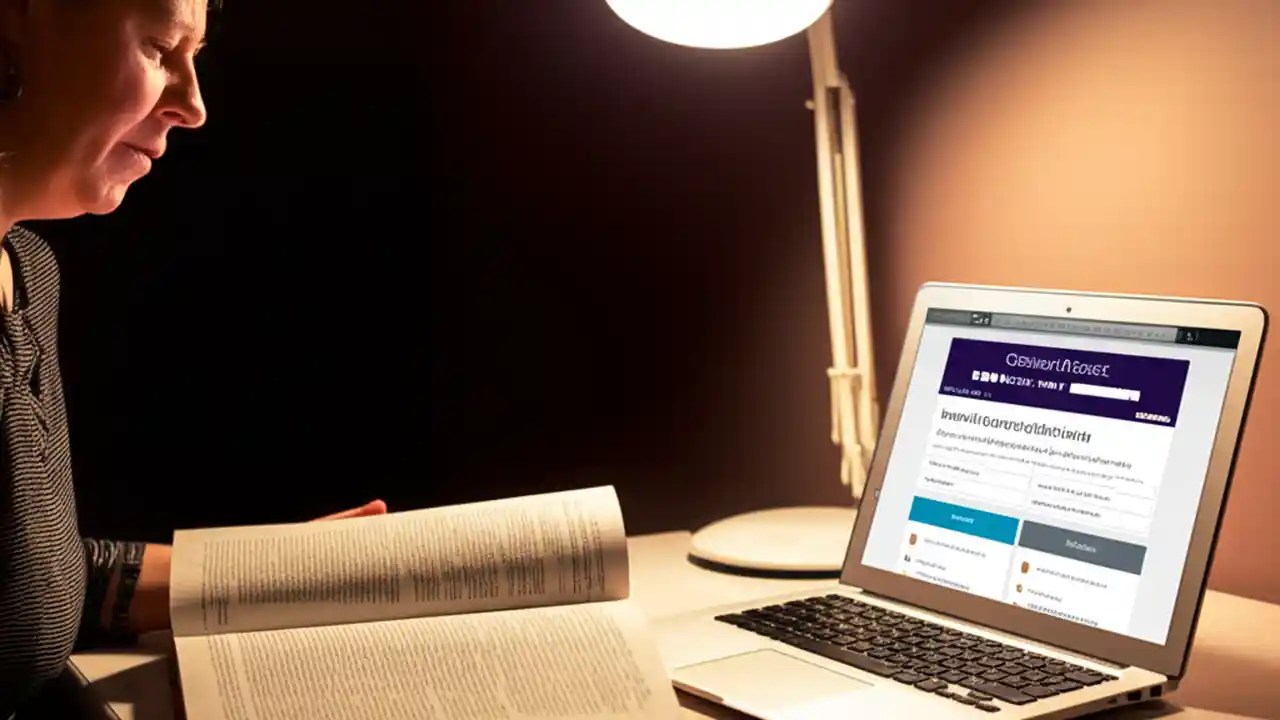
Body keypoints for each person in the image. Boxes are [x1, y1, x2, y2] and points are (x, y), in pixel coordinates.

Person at [0, 1, 386, 714]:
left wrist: (279, 569)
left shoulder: (27, 269)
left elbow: (23, 586)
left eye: (195, 57)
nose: (194, 106)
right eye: (159, 47)